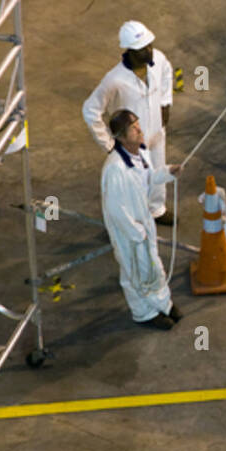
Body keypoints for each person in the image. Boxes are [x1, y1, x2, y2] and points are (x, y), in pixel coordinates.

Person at [84, 21, 175, 223]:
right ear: (130, 51)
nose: (149, 51)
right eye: (142, 49)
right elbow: (90, 110)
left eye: (149, 45)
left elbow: (168, 73)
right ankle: (130, 221)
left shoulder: (158, 59)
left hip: (157, 133)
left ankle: (156, 209)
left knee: (158, 170)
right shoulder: (114, 80)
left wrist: (165, 102)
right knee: (133, 183)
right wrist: (108, 144)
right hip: (132, 141)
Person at [101, 109, 183, 329]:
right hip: (128, 231)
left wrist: (168, 172)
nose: (139, 130)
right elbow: (115, 209)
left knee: (153, 266)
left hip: (143, 222)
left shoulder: (140, 154)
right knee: (134, 273)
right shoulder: (115, 169)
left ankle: (164, 304)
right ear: (120, 137)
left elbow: (149, 177)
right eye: (133, 128)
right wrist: (136, 233)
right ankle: (144, 313)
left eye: (138, 124)